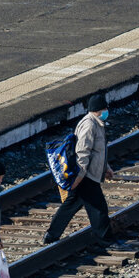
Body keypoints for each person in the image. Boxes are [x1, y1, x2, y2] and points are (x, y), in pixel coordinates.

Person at [42, 94, 114, 244]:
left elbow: (98, 152)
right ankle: (105, 241)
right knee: (98, 208)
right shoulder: (89, 125)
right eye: (105, 108)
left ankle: (51, 235)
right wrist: (79, 177)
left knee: (71, 205)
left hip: (87, 174)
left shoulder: (97, 123)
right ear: (97, 110)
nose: (107, 111)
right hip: (85, 175)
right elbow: (82, 153)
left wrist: (106, 168)